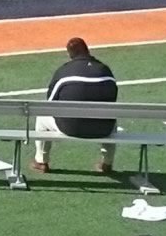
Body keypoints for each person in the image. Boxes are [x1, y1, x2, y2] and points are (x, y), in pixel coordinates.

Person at [33, 36, 119, 177]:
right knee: (112, 120)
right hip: (103, 128)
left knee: (42, 115)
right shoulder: (105, 71)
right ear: (87, 50)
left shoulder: (64, 71)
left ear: (70, 54)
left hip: (71, 127)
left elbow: (50, 102)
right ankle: (107, 163)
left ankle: (41, 161)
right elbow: (112, 99)